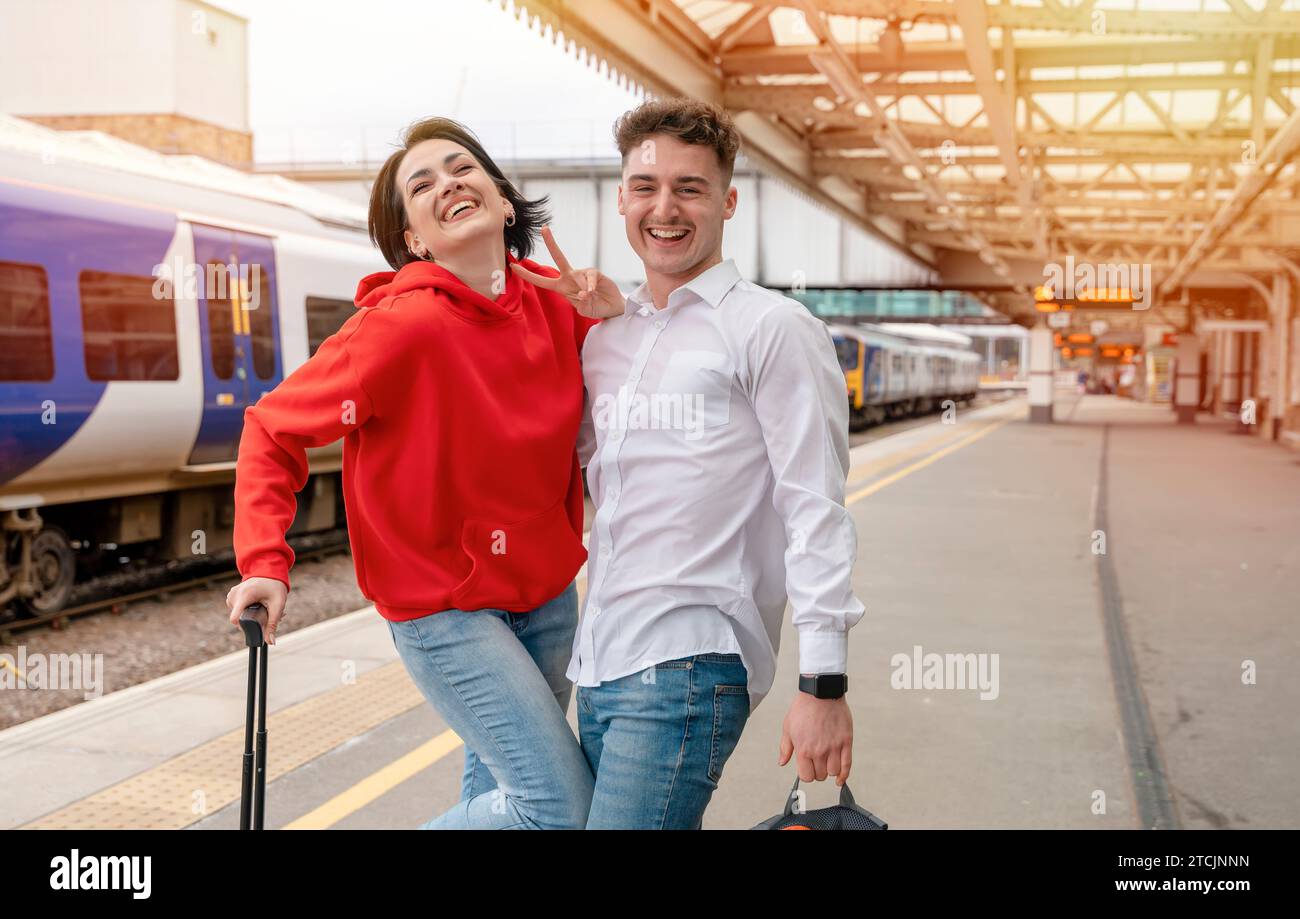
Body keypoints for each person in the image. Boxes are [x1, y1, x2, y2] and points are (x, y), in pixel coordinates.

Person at [226, 116, 623, 829]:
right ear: (415, 238)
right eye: (423, 184)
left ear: (503, 201)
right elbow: (272, 427)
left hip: (548, 598)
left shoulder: (562, 308)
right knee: (558, 807)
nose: (449, 183)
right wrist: (265, 559)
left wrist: (619, 316)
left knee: (497, 800)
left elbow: (650, 396)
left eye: (463, 167)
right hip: (447, 613)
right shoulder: (401, 328)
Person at [525, 97, 866, 829]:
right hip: (600, 661)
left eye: (690, 187)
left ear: (728, 201)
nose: (665, 207)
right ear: (621, 198)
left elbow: (816, 509)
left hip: (690, 662)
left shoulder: (772, 328)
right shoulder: (607, 341)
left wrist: (824, 681)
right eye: (646, 187)